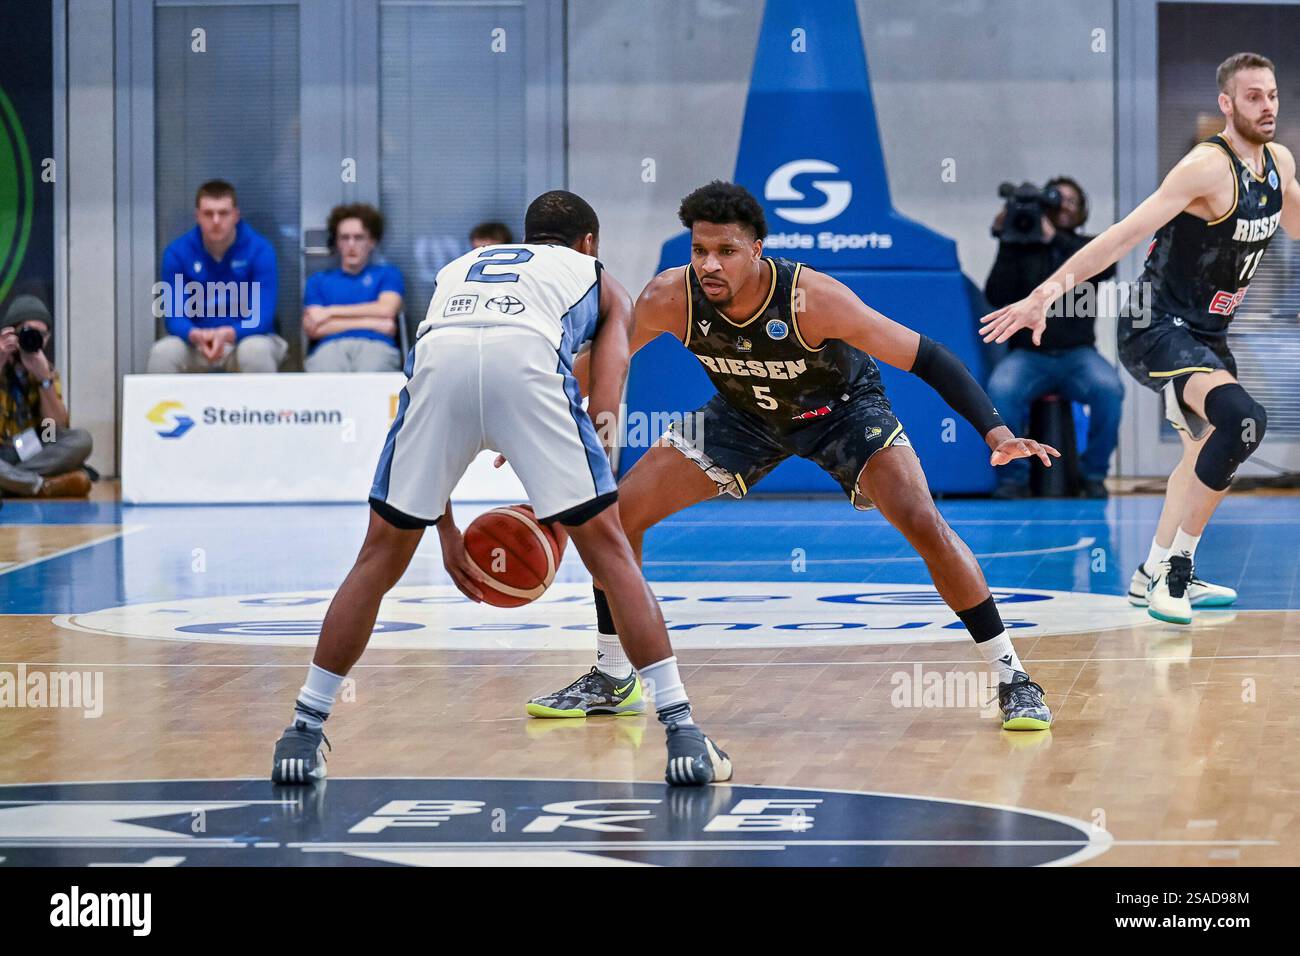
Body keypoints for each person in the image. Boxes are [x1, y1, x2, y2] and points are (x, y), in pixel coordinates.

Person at [527, 181, 1057, 731]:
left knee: (924, 522)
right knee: (619, 516)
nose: (710, 264)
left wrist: (995, 433)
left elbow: (929, 357)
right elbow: (598, 363)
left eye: (726, 251)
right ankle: (613, 675)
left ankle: (1013, 676)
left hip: (843, 413)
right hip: (742, 416)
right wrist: (540, 415)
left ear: (757, 250)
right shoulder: (670, 296)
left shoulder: (813, 299)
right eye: (699, 250)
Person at [271, 191, 733, 788]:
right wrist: (588, 488)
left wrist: (445, 532)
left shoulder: (458, 269)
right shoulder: (598, 275)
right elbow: (610, 379)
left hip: (443, 367)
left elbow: (430, 377)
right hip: (529, 365)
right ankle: (683, 733)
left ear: (525, 237)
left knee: (377, 558)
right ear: (589, 243)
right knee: (614, 557)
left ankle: (304, 730)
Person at [982, 52, 1300, 625]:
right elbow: (1121, 237)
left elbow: (1294, 220)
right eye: (1253, 96)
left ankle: (1151, 571)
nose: (1267, 105)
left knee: (1205, 449)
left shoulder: (1278, 162)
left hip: (1205, 333)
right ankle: (1177, 568)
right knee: (1243, 420)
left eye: (1272, 94)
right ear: (1227, 104)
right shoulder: (1206, 168)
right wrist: (1045, 294)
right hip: (1153, 325)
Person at [984, 176, 1124, 499]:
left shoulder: (1086, 248)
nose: (1063, 205)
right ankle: (1014, 478)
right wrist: (1008, 241)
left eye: (1072, 201)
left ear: (1082, 211)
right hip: (1028, 355)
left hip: (1078, 355)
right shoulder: (1020, 246)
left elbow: (1107, 267)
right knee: (1000, 391)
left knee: (1109, 390)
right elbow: (995, 294)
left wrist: (1054, 239)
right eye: (1056, 198)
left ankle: (1092, 475)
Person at [147, 180, 287, 373]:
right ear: (197, 216)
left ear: (236, 215)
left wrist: (228, 334)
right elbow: (174, 317)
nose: (216, 221)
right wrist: (195, 335)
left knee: (256, 351)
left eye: (223, 213)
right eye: (208, 214)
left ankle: (260, 405)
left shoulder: (260, 250)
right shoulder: (177, 253)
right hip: (197, 342)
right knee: (163, 353)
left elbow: (262, 317)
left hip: (246, 339)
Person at [0, 295, 93, 498]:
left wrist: (45, 381)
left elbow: (53, 430)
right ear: (9, 333)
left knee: (81, 440)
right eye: (26, 332)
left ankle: (12, 483)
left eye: (39, 334)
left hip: (27, 451)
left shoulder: (44, 370)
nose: (31, 338)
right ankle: (42, 485)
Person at [303, 204, 404, 373]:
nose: (351, 245)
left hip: (376, 346)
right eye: (344, 237)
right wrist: (372, 322)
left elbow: (387, 310)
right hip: (329, 347)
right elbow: (314, 328)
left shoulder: (387, 274)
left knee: (373, 368)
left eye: (358, 237)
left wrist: (329, 313)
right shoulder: (318, 280)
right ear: (337, 242)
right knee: (325, 370)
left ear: (371, 241)